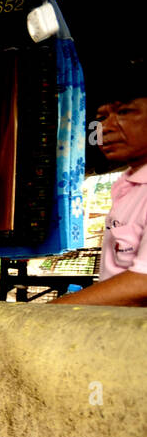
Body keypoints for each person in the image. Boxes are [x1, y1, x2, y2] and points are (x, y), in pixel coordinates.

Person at [54, 73, 147, 306]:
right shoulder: (126, 187)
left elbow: (142, 282)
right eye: (101, 117)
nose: (105, 127)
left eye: (124, 112)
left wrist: (55, 310)